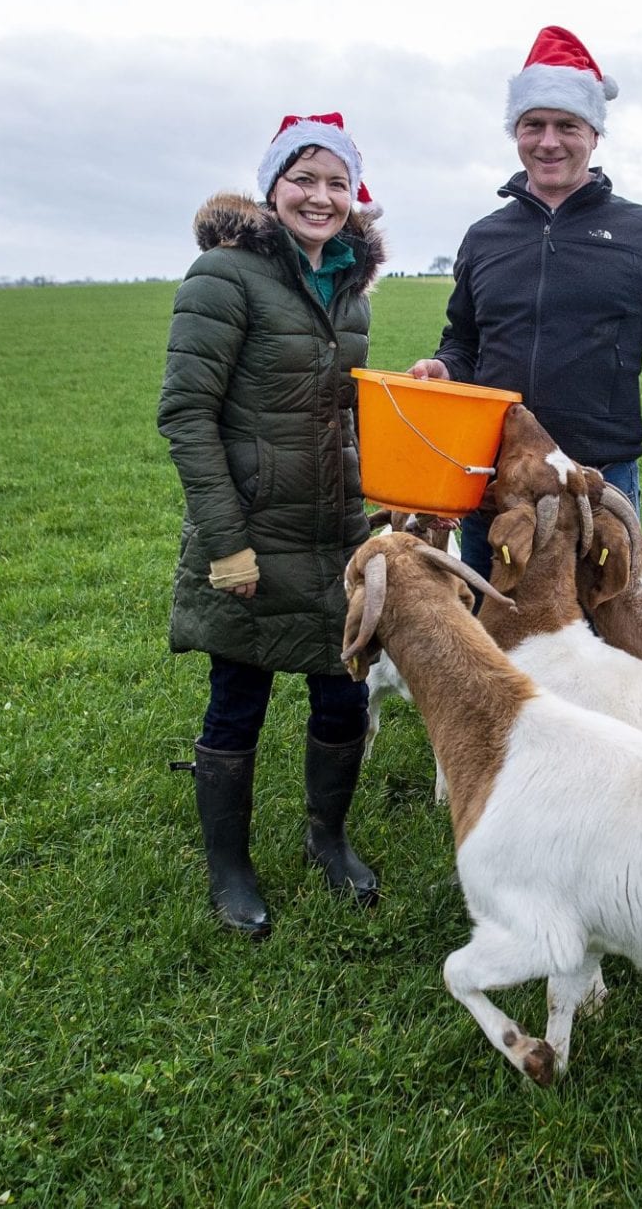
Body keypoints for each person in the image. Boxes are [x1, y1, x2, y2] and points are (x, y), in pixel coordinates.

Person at [159, 113, 386, 938]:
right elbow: (187, 414)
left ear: (353, 195)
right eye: (304, 178)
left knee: (343, 696)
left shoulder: (349, 287)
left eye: (336, 182)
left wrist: (403, 400)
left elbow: (344, 406)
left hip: (335, 538)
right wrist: (226, 544)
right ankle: (231, 867)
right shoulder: (224, 276)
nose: (320, 197)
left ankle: (328, 838)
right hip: (253, 535)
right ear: (273, 187)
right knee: (237, 702)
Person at [409, 24, 642, 570]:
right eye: (534, 125)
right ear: (516, 132)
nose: (549, 141)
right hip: (498, 483)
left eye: (566, 125)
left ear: (594, 134)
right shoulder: (485, 238)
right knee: (497, 640)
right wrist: (444, 367)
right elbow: (465, 342)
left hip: (599, 483)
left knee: (603, 646)